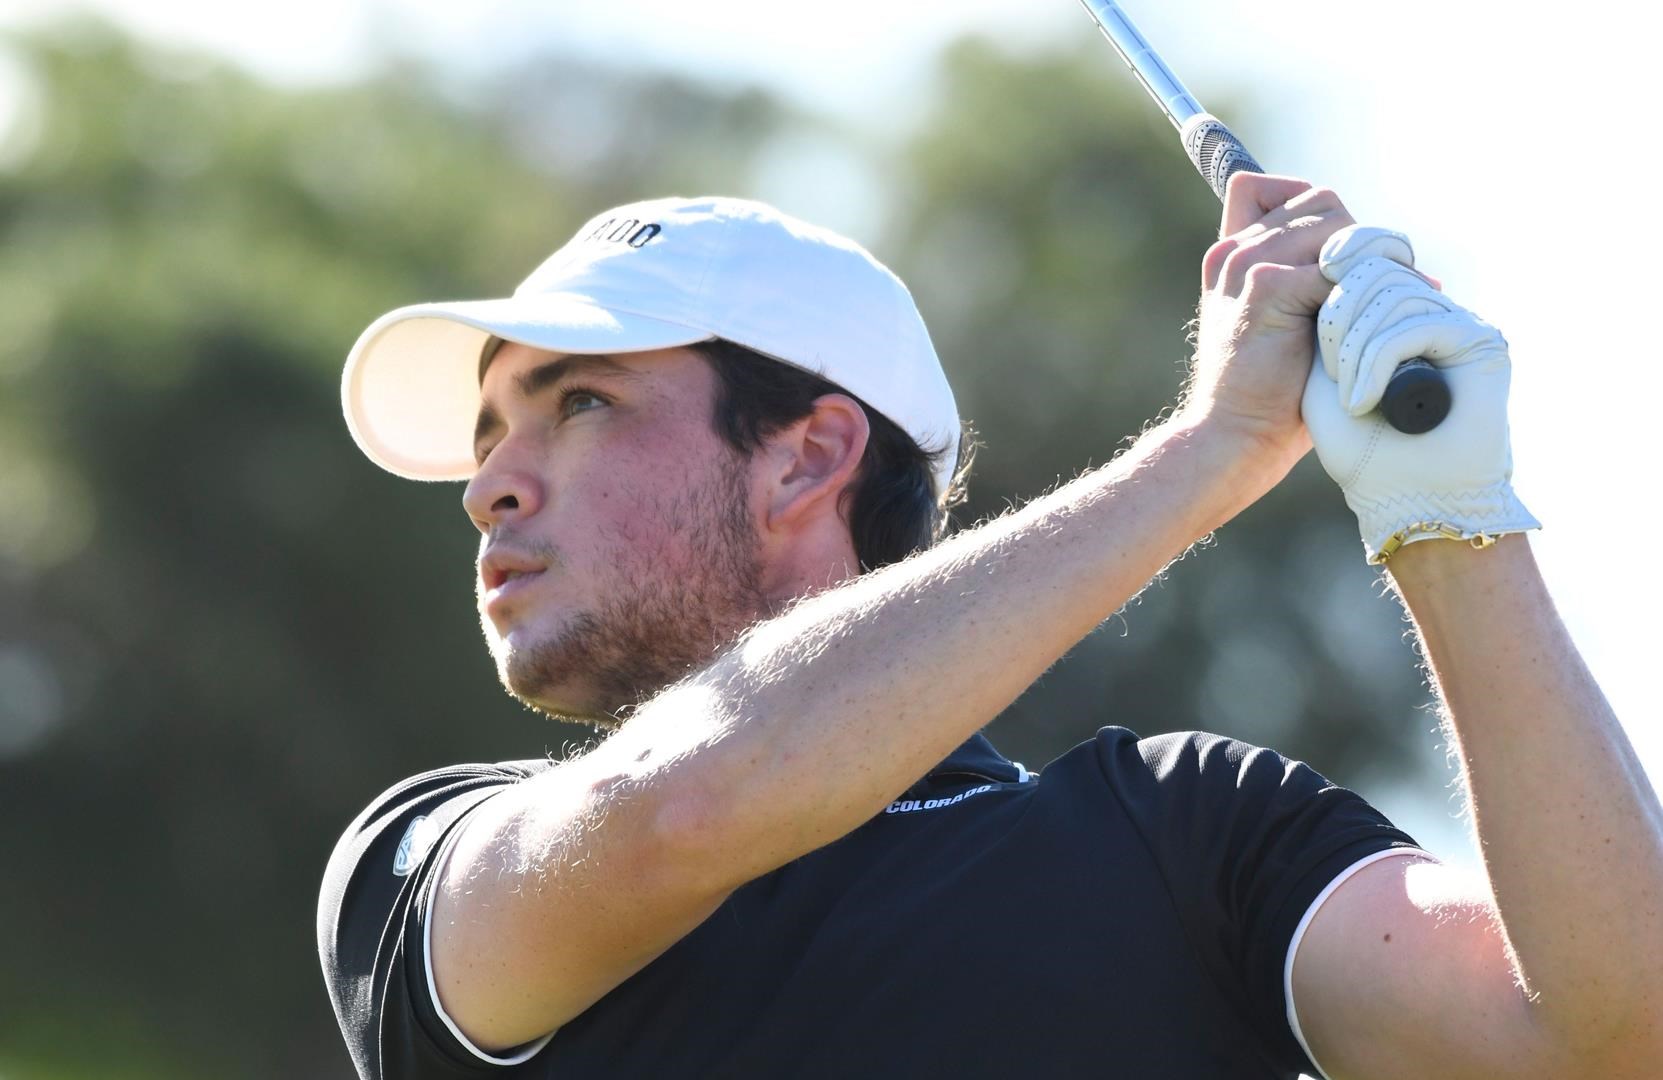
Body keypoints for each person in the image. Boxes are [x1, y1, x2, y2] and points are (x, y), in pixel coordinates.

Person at [317, 180, 1663, 1079]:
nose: (492, 479)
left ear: (806, 459)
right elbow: (687, 802)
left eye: (582, 404)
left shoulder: (1197, 838)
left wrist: (1448, 516)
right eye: (490, 434)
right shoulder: (424, 854)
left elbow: (1606, 1043)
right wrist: (1212, 451)